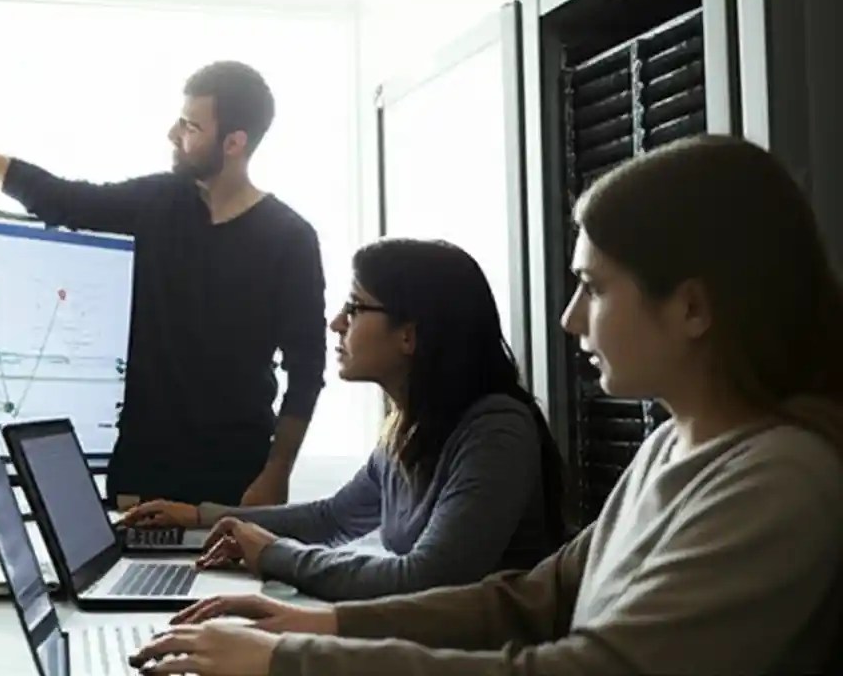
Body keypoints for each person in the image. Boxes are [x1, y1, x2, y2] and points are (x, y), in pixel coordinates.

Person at [126, 135, 843, 676]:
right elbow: (530, 599)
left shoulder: (778, 480)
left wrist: (292, 660)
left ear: (691, 307)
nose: (569, 319)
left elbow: (593, 670)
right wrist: (315, 626)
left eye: (593, 288)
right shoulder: (672, 449)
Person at [0, 61, 326, 507]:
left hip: (235, 484)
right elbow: (58, 198)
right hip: (141, 477)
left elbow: (306, 370)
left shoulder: (290, 238)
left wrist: (277, 475)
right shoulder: (158, 201)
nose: (172, 134)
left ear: (234, 143)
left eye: (189, 126)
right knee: (128, 580)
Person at [119, 238, 566, 601]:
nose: (336, 323)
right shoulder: (409, 428)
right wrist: (200, 516)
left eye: (354, 308)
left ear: (409, 334)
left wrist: (273, 554)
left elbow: (427, 578)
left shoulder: (496, 430)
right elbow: (332, 519)